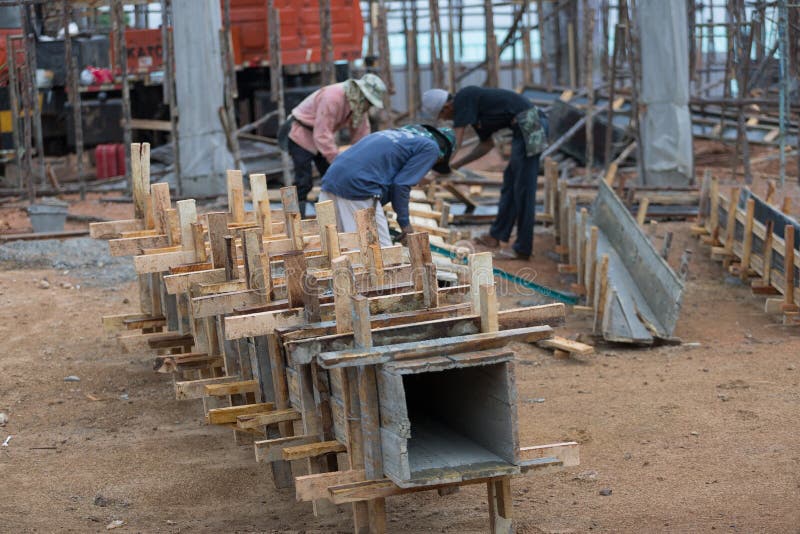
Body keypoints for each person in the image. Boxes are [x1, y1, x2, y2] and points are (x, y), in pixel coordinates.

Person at [421, 86, 548, 260]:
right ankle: (496, 236)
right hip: (524, 127)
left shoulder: (464, 97)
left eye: (443, 117)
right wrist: (454, 166)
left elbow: (455, 142)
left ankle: (523, 248)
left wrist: (436, 171)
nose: (447, 120)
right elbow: (486, 146)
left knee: (524, 189)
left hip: (532, 123)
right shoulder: (476, 114)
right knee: (510, 183)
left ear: (446, 107)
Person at [318, 124, 455, 247]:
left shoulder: (398, 135)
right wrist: (405, 225)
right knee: (382, 252)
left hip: (331, 178)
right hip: (358, 186)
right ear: (441, 157)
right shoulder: (431, 148)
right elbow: (401, 185)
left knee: (335, 246)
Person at [277, 73, 388, 217]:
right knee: (303, 181)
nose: (370, 107)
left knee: (333, 178)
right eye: (370, 103)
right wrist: (339, 161)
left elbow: (362, 136)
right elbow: (322, 134)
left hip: (319, 138)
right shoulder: (333, 97)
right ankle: (294, 221)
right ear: (363, 95)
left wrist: (362, 163)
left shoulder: (358, 106)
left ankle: (330, 217)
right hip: (300, 134)